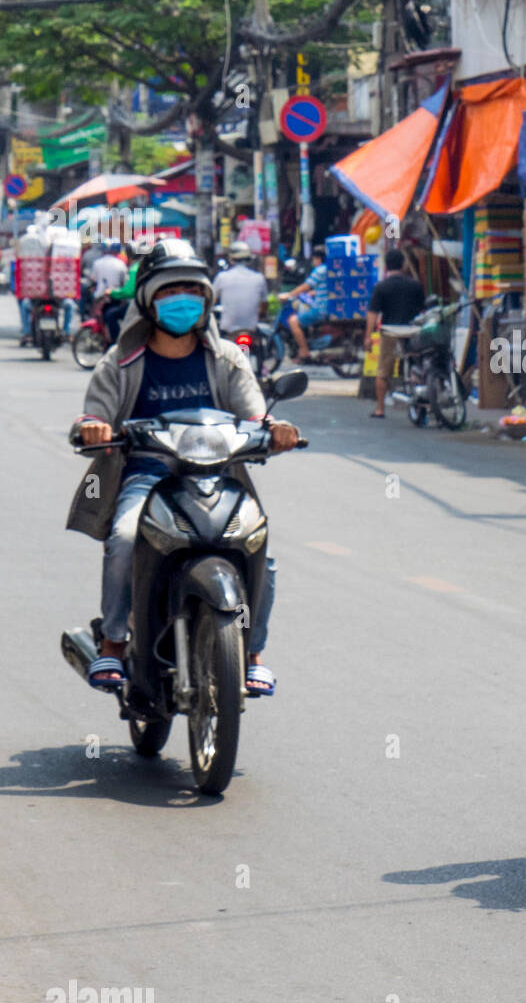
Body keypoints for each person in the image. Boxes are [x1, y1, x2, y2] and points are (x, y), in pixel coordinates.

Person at [67, 239, 300, 697]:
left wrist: (275, 429)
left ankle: (252, 654)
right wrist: (93, 428)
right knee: (124, 539)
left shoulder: (227, 358)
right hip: (148, 477)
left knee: (260, 553)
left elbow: (255, 414)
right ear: (149, 300)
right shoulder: (121, 361)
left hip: (219, 477)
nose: (182, 301)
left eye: (192, 291)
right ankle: (114, 642)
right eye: (171, 292)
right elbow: (94, 415)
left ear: (206, 301)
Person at [363, 247, 426, 419]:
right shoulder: (415, 285)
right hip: (413, 332)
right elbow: (423, 311)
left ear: (387, 266)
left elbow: (373, 314)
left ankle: (380, 409)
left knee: (383, 372)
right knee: (418, 367)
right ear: (403, 265)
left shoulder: (381, 287)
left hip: (390, 332)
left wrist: (368, 336)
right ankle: (421, 401)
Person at [280, 244, 329, 363]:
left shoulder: (320, 270)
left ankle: (304, 350)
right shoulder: (329, 269)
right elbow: (321, 288)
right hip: (326, 307)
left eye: (314, 259)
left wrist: (290, 295)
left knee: (293, 321)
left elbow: (305, 286)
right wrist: (311, 293)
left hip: (321, 309)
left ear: (318, 258)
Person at [213, 241, 268, 335]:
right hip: (251, 328)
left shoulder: (222, 277)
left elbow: (212, 299)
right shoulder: (259, 278)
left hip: (228, 329)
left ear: (231, 259)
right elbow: (264, 304)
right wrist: (261, 315)